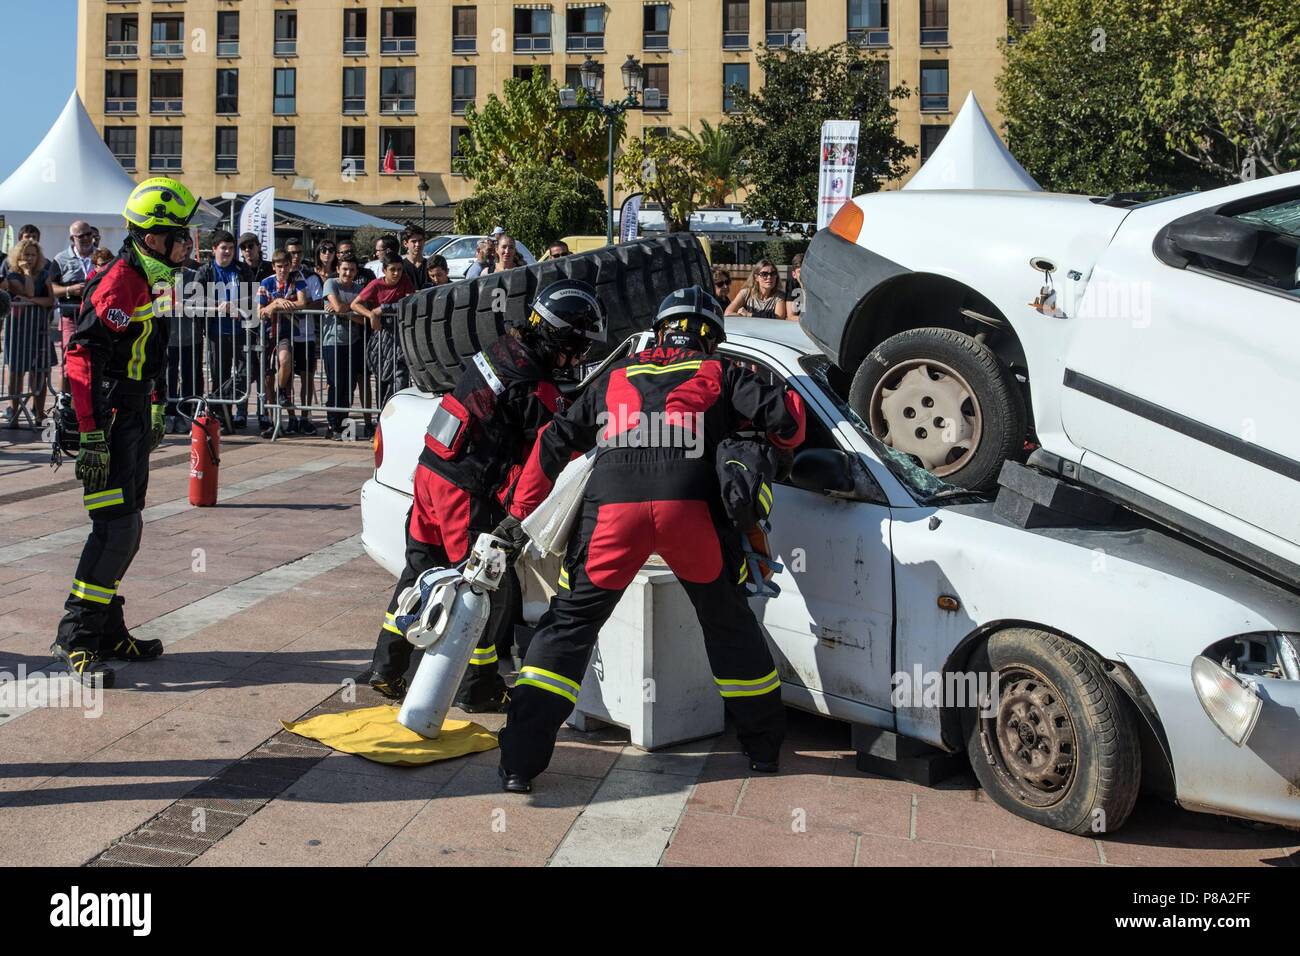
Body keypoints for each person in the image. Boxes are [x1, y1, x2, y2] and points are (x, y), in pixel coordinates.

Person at [491, 285, 806, 792]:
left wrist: (518, 513)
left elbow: (555, 439)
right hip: (692, 513)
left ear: (660, 331)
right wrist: (746, 444)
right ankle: (763, 750)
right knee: (728, 624)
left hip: (614, 513)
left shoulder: (612, 377)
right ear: (711, 336)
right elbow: (790, 422)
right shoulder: (721, 372)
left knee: (568, 628)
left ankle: (518, 765)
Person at [364, 278, 607, 709]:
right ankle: (477, 688)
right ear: (556, 335)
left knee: (419, 572)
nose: (579, 356)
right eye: (577, 346)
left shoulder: (501, 351)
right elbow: (554, 445)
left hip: (430, 476)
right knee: (482, 590)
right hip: (465, 491)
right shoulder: (534, 388)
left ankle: (385, 669)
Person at [52, 176, 201, 686]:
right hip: (109, 420)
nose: (188, 243)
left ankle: (108, 630)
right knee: (114, 530)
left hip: (133, 415)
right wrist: (92, 433)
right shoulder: (120, 281)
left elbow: (145, 353)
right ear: (154, 237)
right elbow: (83, 355)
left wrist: (155, 403)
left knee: (128, 527)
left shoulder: (150, 278)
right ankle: (75, 636)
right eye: (181, 234)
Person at [192, 230, 252, 430]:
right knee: (220, 375)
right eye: (223, 248)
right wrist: (220, 304)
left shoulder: (242, 270)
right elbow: (196, 298)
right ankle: (221, 417)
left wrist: (240, 305)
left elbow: (252, 297)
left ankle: (228, 405)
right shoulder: (206, 271)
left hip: (242, 330)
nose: (227, 252)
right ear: (214, 249)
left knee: (249, 370)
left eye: (231, 248)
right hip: (216, 332)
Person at [2, 238, 56, 427]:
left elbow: (50, 300)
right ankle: (14, 413)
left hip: (39, 329)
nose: (30, 258)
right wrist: (26, 272)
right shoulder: (12, 275)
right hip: (17, 331)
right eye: (27, 255)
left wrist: (33, 301)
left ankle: (39, 413)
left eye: (33, 254)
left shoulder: (44, 273)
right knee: (16, 372)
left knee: (40, 372)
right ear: (19, 256)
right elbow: (30, 292)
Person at [256, 250, 307, 438]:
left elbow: (303, 302)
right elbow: (260, 311)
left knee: (285, 361)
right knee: (267, 378)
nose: (283, 270)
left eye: (286, 266)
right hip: (268, 334)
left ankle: (281, 392)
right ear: (273, 267)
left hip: (286, 333)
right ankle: (272, 421)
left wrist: (283, 303)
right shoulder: (266, 283)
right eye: (279, 267)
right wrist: (275, 304)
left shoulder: (297, 278)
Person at [352, 254, 413, 408]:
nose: (396, 273)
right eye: (392, 270)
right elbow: (355, 304)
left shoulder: (405, 281)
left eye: (399, 269)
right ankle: (382, 417)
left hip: (401, 336)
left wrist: (383, 308)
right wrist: (370, 314)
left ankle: (398, 415)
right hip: (381, 335)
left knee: (400, 379)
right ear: (384, 270)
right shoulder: (375, 284)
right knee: (383, 378)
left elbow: (410, 302)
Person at [321, 253, 366, 439]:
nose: (348, 273)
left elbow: (362, 318)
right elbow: (338, 307)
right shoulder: (331, 284)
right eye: (345, 269)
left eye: (352, 269)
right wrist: (351, 308)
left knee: (349, 385)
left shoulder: (359, 288)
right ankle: (332, 423)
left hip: (353, 341)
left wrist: (343, 309)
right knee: (336, 383)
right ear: (338, 269)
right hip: (333, 341)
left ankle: (343, 421)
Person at [164, 235, 204, 434]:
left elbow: (203, 297)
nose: (185, 251)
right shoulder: (165, 268)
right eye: (182, 247)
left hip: (191, 333)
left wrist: (187, 304)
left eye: (189, 247)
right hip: (168, 333)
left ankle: (187, 413)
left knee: (190, 375)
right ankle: (169, 412)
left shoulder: (198, 269)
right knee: (169, 374)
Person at [402, 226, 427, 290]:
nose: (417, 244)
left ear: (424, 241)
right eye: (414, 241)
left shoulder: (430, 265)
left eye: (420, 240)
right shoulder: (400, 267)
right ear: (405, 243)